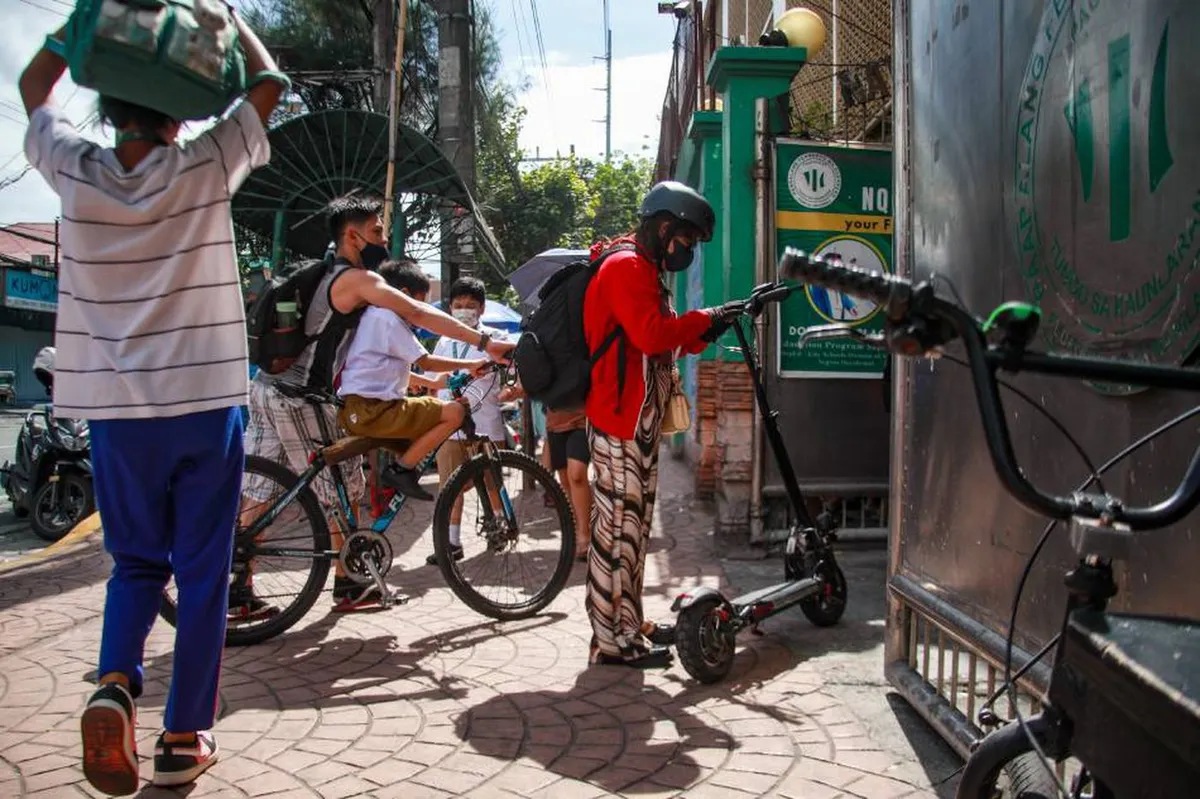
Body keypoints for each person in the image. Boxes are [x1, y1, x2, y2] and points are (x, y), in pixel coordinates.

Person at [19, 9, 287, 793]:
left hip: (117, 413)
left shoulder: (73, 167)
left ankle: (114, 682)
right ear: (179, 112)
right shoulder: (204, 166)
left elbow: (34, 86)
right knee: (203, 569)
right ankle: (181, 735)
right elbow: (270, 83)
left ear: (109, 105)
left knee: (135, 562)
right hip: (205, 403)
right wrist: (230, 23)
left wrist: (81, 28)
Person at [243, 195, 514, 612]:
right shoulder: (358, 282)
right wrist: (484, 342)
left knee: (262, 490)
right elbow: (419, 314)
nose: (383, 240)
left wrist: (425, 377)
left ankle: (235, 584)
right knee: (340, 488)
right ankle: (350, 583)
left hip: (267, 387)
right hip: (298, 397)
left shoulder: (326, 276)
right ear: (352, 236)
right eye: (376, 231)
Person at [583, 181, 735, 669]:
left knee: (635, 531)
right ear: (666, 227)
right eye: (687, 240)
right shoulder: (626, 266)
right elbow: (650, 335)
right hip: (617, 421)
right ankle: (611, 642)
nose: (687, 250)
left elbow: (665, 341)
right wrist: (700, 317)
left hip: (638, 422)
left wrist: (710, 325)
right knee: (616, 533)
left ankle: (630, 625)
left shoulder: (645, 270)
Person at [337, 262, 491, 502]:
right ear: (405, 296)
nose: (418, 311)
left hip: (358, 409)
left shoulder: (370, 316)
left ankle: (402, 471)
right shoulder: (389, 318)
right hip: (375, 410)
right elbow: (427, 361)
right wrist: (471, 365)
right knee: (455, 412)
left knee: (416, 441)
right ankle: (400, 471)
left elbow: (381, 369)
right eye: (419, 303)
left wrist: (437, 383)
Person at [428, 277, 509, 565]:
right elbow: (433, 379)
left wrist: (462, 401)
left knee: (492, 482)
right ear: (449, 308)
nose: (464, 311)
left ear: (482, 309)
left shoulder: (493, 339)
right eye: (458, 305)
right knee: (449, 486)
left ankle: (499, 530)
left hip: (484, 424)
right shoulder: (444, 341)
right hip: (449, 427)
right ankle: (451, 542)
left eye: (470, 306)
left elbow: (487, 379)